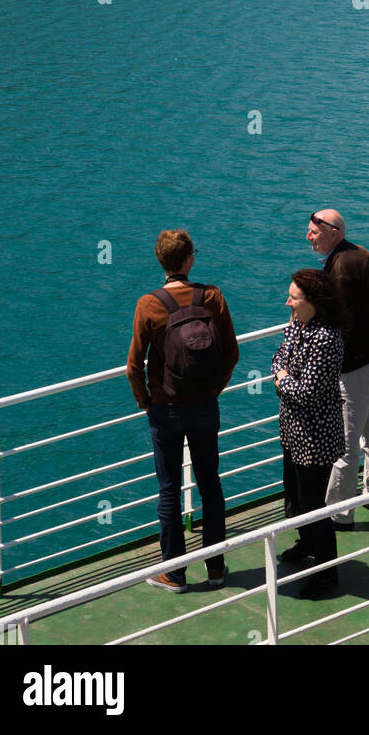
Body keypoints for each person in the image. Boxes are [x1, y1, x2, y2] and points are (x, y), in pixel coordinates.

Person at [126, 229, 240, 593]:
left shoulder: (149, 304)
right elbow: (232, 353)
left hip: (167, 410)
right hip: (205, 405)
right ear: (190, 259)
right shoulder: (212, 297)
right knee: (211, 484)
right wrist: (213, 389)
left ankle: (174, 573)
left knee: (170, 490)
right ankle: (217, 567)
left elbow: (133, 366)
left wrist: (146, 401)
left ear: (160, 262)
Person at [306, 209, 369, 528]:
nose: (308, 236)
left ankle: (340, 511)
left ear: (334, 232)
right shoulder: (359, 254)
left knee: (345, 441)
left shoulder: (341, 268)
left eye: (313, 231)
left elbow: (342, 325)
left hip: (357, 365)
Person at [272, 268, 346, 598]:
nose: (287, 302)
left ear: (313, 301)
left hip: (316, 435)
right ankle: (306, 545)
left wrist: (283, 380)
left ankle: (327, 572)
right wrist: (284, 376)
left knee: (314, 504)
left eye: (294, 298)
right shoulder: (297, 327)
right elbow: (277, 360)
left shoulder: (326, 339)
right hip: (293, 430)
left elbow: (307, 391)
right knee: (296, 495)